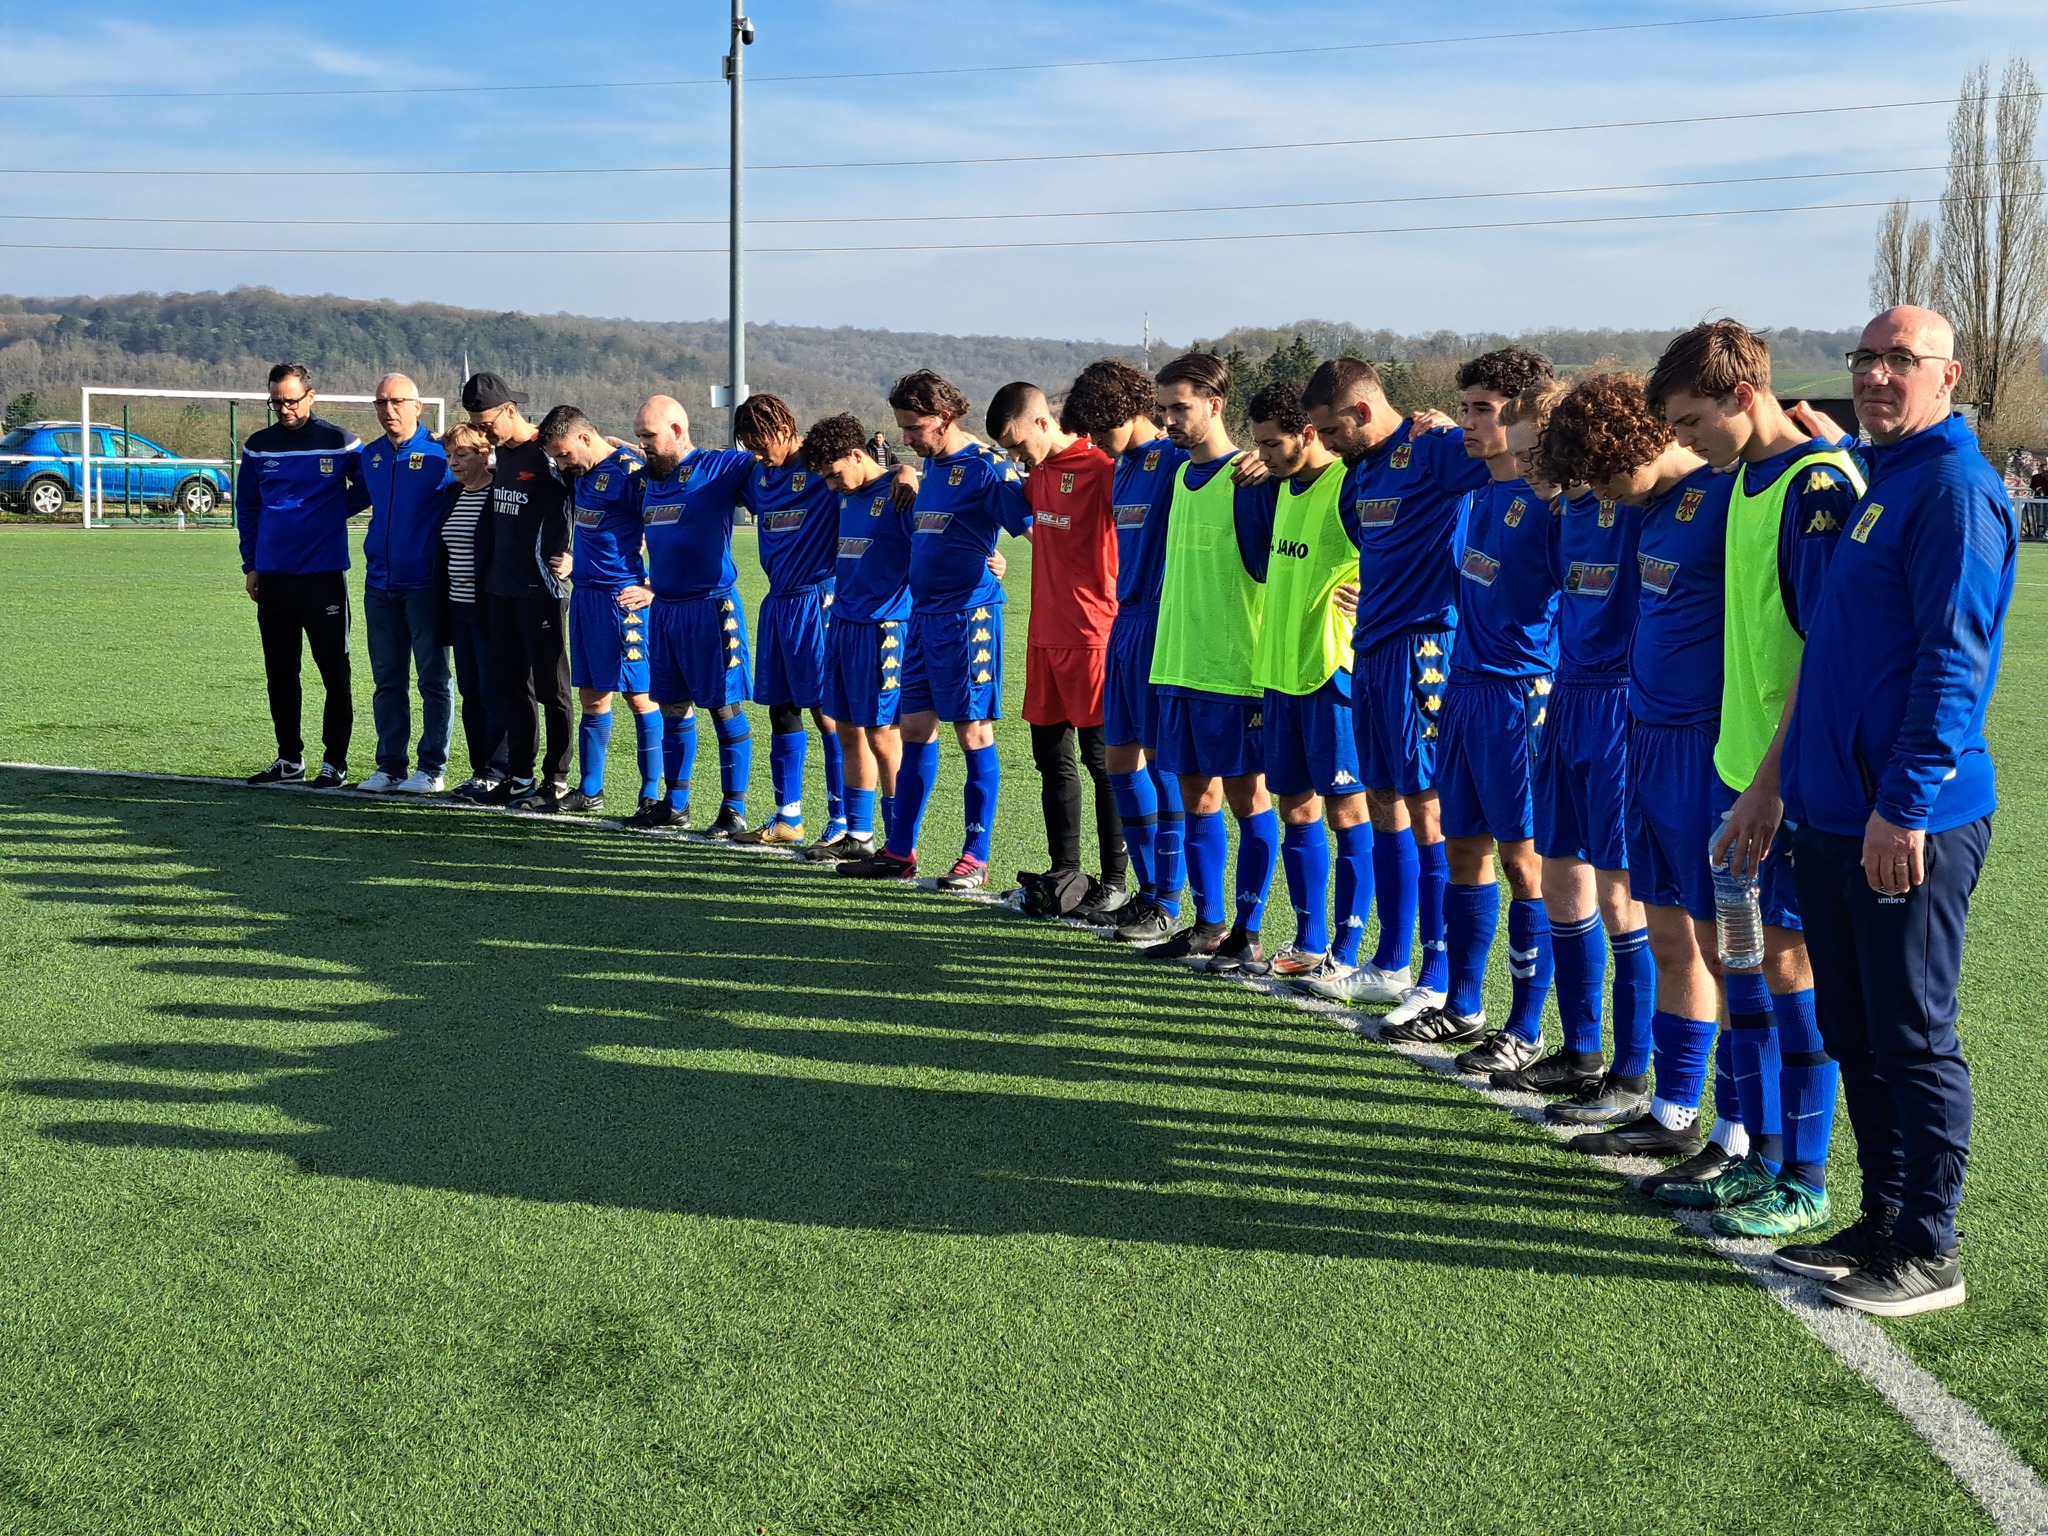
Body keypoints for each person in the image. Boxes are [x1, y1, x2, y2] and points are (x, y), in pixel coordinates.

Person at [1774, 305, 2015, 1315]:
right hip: (1833, 813)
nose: (1875, 375)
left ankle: (1928, 1247)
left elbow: (1949, 667)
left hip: (1903, 817)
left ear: (1946, 375)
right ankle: (1880, 1220)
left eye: (1897, 361)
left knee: (1910, 1031)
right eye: (1863, 358)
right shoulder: (1886, 476)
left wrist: (1899, 807)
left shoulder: (1954, 490)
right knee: (1855, 1027)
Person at [1646, 318, 1864, 1240]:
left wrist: (1769, 784)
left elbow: (1824, 651)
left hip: (1786, 785)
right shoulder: (1745, 480)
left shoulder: (1815, 486)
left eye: (1693, 420)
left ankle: (1806, 1176)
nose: (1684, 441)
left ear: (1745, 397)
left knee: (1786, 960)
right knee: (1740, 957)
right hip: (1731, 769)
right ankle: (1757, 1153)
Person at [1534, 373, 1743, 1188]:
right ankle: (1675, 1110)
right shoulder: (1643, 507)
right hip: (1643, 736)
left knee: (1735, 949)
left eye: (1603, 476)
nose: (1599, 498)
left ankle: (1740, 1130)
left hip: (1706, 749)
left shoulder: (1726, 498)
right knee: (1670, 935)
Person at [1302, 357, 1490, 1024]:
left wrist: (1451, 425)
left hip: (1425, 647)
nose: (1322, 443)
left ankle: (1438, 977)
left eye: (1328, 430)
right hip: (1373, 650)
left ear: (1358, 413)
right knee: (1383, 800)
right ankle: (1390, 963)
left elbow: (1502, 462)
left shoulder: (1432, 448)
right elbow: (1371, 542)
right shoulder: (1359, 475)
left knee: (1427, 805)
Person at [1492, 380, 1656, 1116]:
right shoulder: (1565, 513)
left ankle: (1632, 1072)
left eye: (1536, 453)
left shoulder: (1635, 505)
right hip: (1568, 697)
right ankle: (1581, 1050)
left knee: (1622, 895)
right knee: (1561, 876)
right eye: (1521, 453)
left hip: (1622, 704)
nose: (1525, 465)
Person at [1409, 348, 1561, 1076]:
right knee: (1460, 847)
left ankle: (1526, 1025)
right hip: (1463, 691)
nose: (1469, 422)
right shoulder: (1472, 498)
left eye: (1483, 410)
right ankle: (1464, 1004)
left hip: (1520, 696)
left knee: (1524, 862)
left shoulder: (1552, 504)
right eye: (1465, 407)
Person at [840, 370, 1034, 889]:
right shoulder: (930, 466)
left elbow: (1036, 527)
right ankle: (899, 851)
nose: (906, 437)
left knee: (973, 732)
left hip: (969, 618)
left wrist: (998, 561)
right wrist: (905, 468)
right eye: (901, 428)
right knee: (914, 730)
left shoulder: (988, 468)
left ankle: (976, 854)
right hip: (922, 620)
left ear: (944, 418)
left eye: (914, 428)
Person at [1144, 351, 1281, 971]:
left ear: (1215, 404)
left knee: (1249, 798)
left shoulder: (1251, 478)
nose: (1169, 419)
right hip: (1177, 663)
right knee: (1195, 797)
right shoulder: (1176, 474)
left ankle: (1249, 931)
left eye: (1181, 407)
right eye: (1164, 407)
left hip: (1235, 669)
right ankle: (1208, 921)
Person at [1239, 380, 1372, 986]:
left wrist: (1374, 588)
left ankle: (1348, 946)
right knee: (1296, 809)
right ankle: (1308, 936)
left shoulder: (1348, 484)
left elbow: (1398, 552)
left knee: (1347, 811)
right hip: (1279, 671)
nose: (1262, 455)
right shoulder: (1278, 487)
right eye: (1258, 444)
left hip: (1330, 671)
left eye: (1272, 444)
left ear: (1309, 433)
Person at [1058, 358, 1191, 943]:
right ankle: (1146, 891)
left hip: (1163, 623)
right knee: (1119, 763)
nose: (1096, 442)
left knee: (1164, 769)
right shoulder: (1122, 468)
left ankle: (1168, 898)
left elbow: (1230, 467)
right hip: (1124, 624)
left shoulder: (1171, 459)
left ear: (1129, 414)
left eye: (1101, 429)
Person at [986, 380, 1127, 914]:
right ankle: (1065, 871)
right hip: (1044, 636)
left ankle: (1115, 879)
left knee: (1103, 760)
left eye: (1020, 445)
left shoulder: (1104, 469)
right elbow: (1003, 502)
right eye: (1010, 453)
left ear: (1043, 422)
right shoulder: (1037, 474)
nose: (1018, 459)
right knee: (1051, 759)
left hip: (1093, 636)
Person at [237, 362, 367, 790]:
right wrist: (251, 564)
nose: (285, 409)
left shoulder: (340, 442)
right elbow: (249, 509)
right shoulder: (258, 447)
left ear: (311, 396)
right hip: (274, 578)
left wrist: (330, 515)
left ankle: (336, 761)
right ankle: (289, 758)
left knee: (334, 671)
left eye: (292, 401)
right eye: (277, 402)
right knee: (280, 672)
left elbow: (366, 489)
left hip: (324, 576)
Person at [633, 394, 759, 837]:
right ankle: (676, 804)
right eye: (639, 437)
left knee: (724, 707)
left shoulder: (719, 467)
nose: (643, 445)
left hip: (711, 607)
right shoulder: (647, 479)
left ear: (677, 431)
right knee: (671, 707)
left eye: (649, 436)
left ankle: (733, 809)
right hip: (665, 611)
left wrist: (898, 469)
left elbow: (779, 463)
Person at [731, 394, 849, 848]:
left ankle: (841, 819)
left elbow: (871, 481)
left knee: (827, 713)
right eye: (750, 445)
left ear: (785, 428)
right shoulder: (757, 474)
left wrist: (901, 470)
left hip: (816, 600)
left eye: (762, 442)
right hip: (777, 602)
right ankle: (788, 816)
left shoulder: (820, 467)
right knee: (780, 708)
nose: (758, 453)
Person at [535, 406, 660, 820]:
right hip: (586, 596)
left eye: (565, 453)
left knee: (639, 697)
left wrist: (652, 585)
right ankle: (590, 791)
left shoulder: (629, 472)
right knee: (591, 695)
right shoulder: (581, 474)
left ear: (585, 439)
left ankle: (652, 794)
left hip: (621, 600)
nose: (562, 463)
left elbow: (663, 526)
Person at [803, 414, 913, 861]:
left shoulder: (899, 491)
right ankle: (860, 835)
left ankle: (897, 842)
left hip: (885, 627)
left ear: (856, 455)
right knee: (846, 729)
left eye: (834, 474)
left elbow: (939, 542)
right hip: (844, 624)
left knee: (883, 734)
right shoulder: (846, 496)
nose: (831, 485)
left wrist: (991, 559)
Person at [466, 371, 574, 811]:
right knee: (513, 686)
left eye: (487, 421)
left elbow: (587, 501)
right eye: (475, 423)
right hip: (501, 588)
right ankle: (521, 772)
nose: (482, 431)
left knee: (553, 687)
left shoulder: (549, 452)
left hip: (542, 588)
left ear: (510, 411)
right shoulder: (503, 458)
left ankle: (558, 779)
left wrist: (576, 554)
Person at [357, 374, 456, 795]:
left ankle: (432, 767)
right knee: (387, 680)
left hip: (425, 586)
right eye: (381, 402)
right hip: (378, 584)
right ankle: (390, 765)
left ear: (419, 406)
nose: (388, 409)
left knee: (433, 678)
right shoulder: (371, 456)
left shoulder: (441, 456)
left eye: (398, 401)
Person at [438, 422, 509, 800]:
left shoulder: (499, 496)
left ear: (485, 455)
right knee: (470, 691)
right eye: (450, 455)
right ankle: (480, 770)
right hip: (458, 610)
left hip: (490, 611)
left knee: (494, 691)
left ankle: (500, 771)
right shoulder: (453, 496)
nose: (453, 462)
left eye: (461, 455)